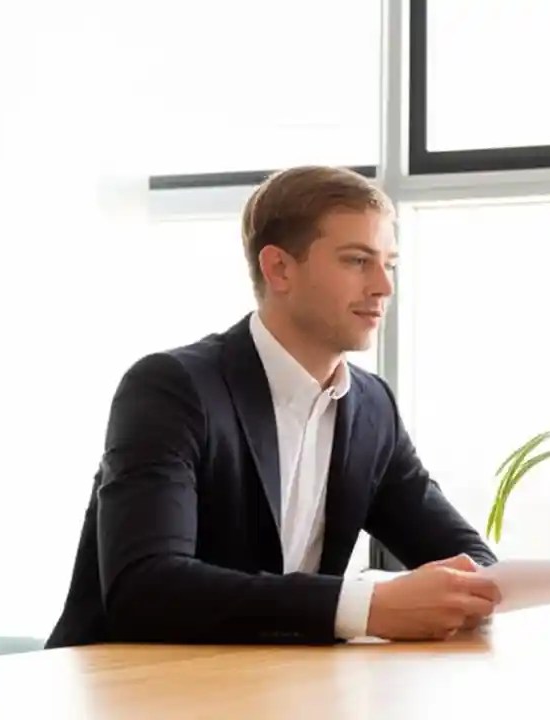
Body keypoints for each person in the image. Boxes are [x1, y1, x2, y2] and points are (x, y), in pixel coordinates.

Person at [47, 166, 500, 648]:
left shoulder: (372, 407)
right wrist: (368, 606)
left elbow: (467, 557)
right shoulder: (172, 389)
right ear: (279, 268)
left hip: (275, 679)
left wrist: (475, 591)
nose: (383, 287)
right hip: (123, 680)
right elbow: (146, 589)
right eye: (356, 261)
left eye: (388, 264)